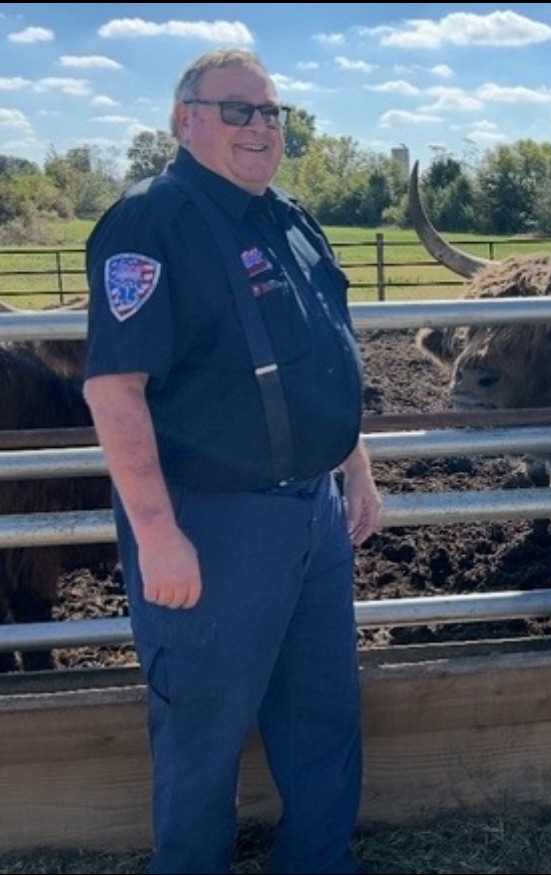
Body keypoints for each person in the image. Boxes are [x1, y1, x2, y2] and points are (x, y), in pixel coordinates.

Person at [82, 47, 382, 875]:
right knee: (202, 732)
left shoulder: (289, 217)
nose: (260, 128)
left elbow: (322, 356)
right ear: (187, 120)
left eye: (272, 112)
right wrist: (158, 536)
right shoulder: (153, 222)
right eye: (237, 110)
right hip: (212, 523)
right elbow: (115, 391)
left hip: (313, 515)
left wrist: (353, 467)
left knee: (324, 714)